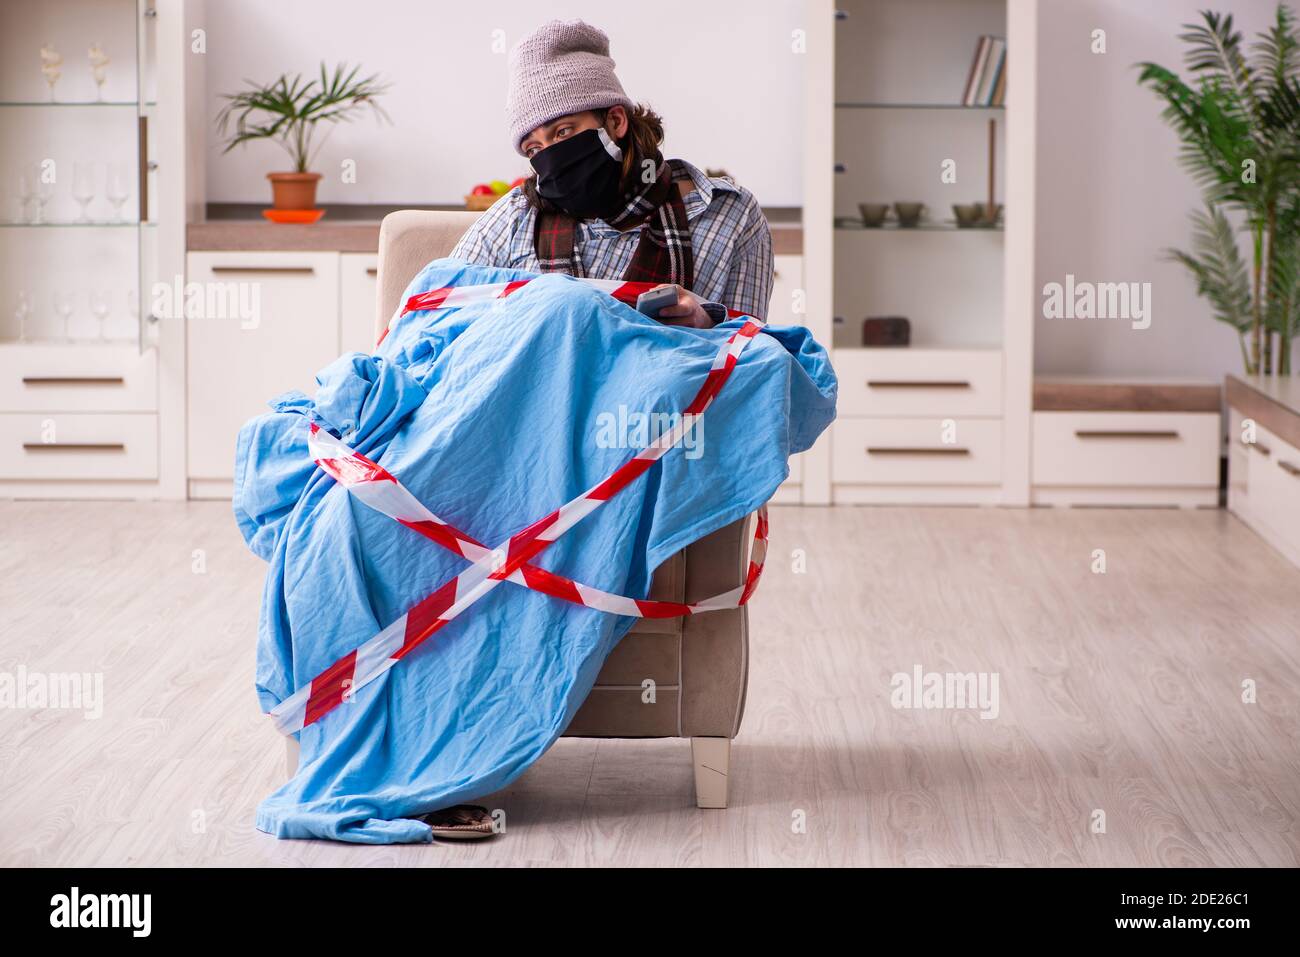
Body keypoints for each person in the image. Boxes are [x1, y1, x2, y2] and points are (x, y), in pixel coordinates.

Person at [451, 18, 774, 328]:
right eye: (534, 149)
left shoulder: (729, 213)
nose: (550, 156)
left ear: (616, 121)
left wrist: (709, 322)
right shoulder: (516, 215)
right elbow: (431, 313)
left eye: (563, 132)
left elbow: (751, 353)